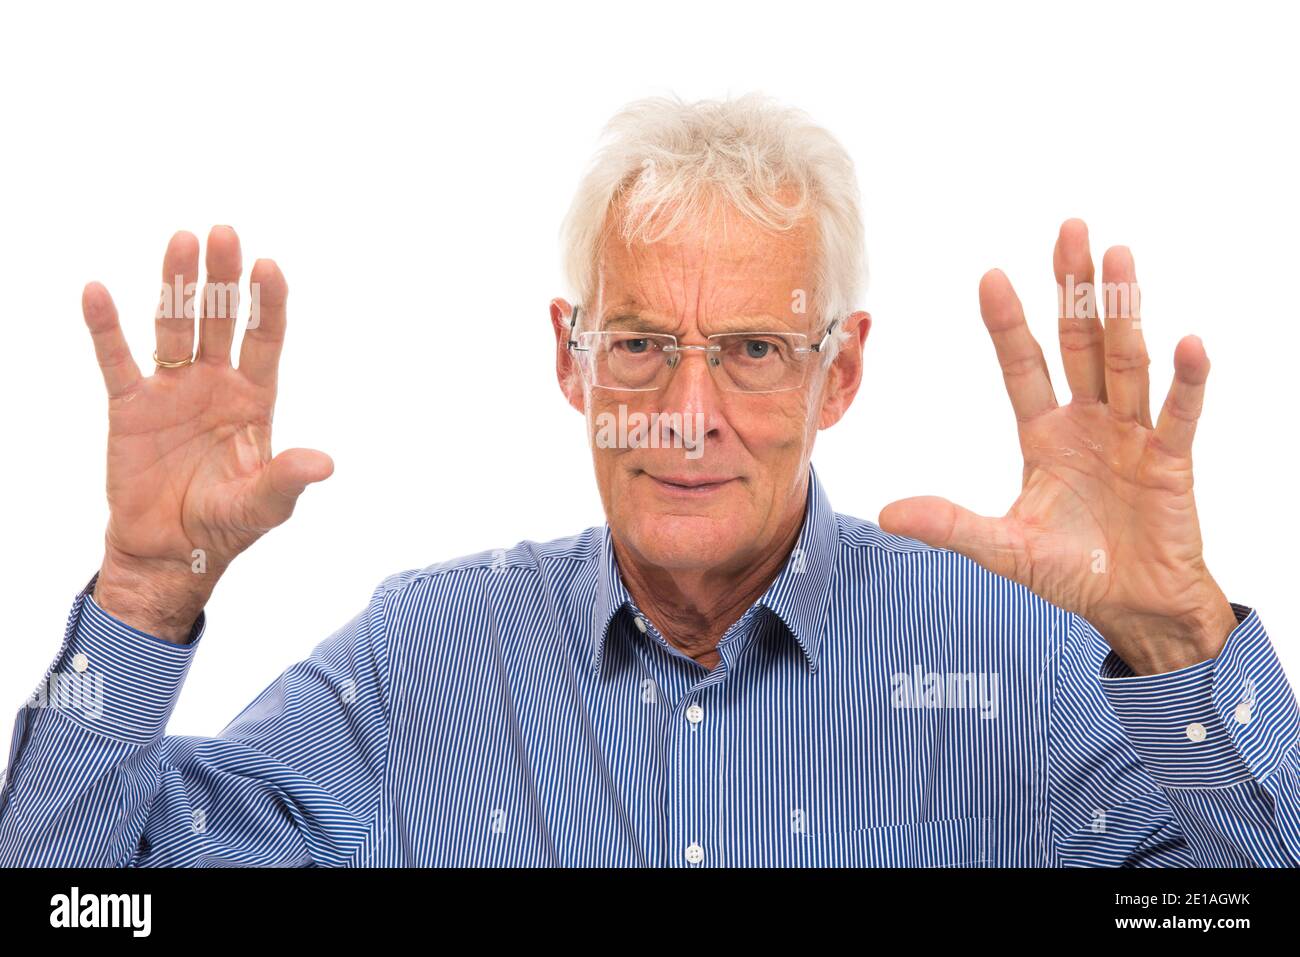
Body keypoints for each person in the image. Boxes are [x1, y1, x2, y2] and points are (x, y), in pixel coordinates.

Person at [1, 94, 1296, 867]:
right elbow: (70, 885)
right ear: (570, 361)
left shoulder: (1027, 661)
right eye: (638, 347)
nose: (687, 417)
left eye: (750, 351)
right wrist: (141, 592)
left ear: (837, 377)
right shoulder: (421, 658)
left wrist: (1176, 629)